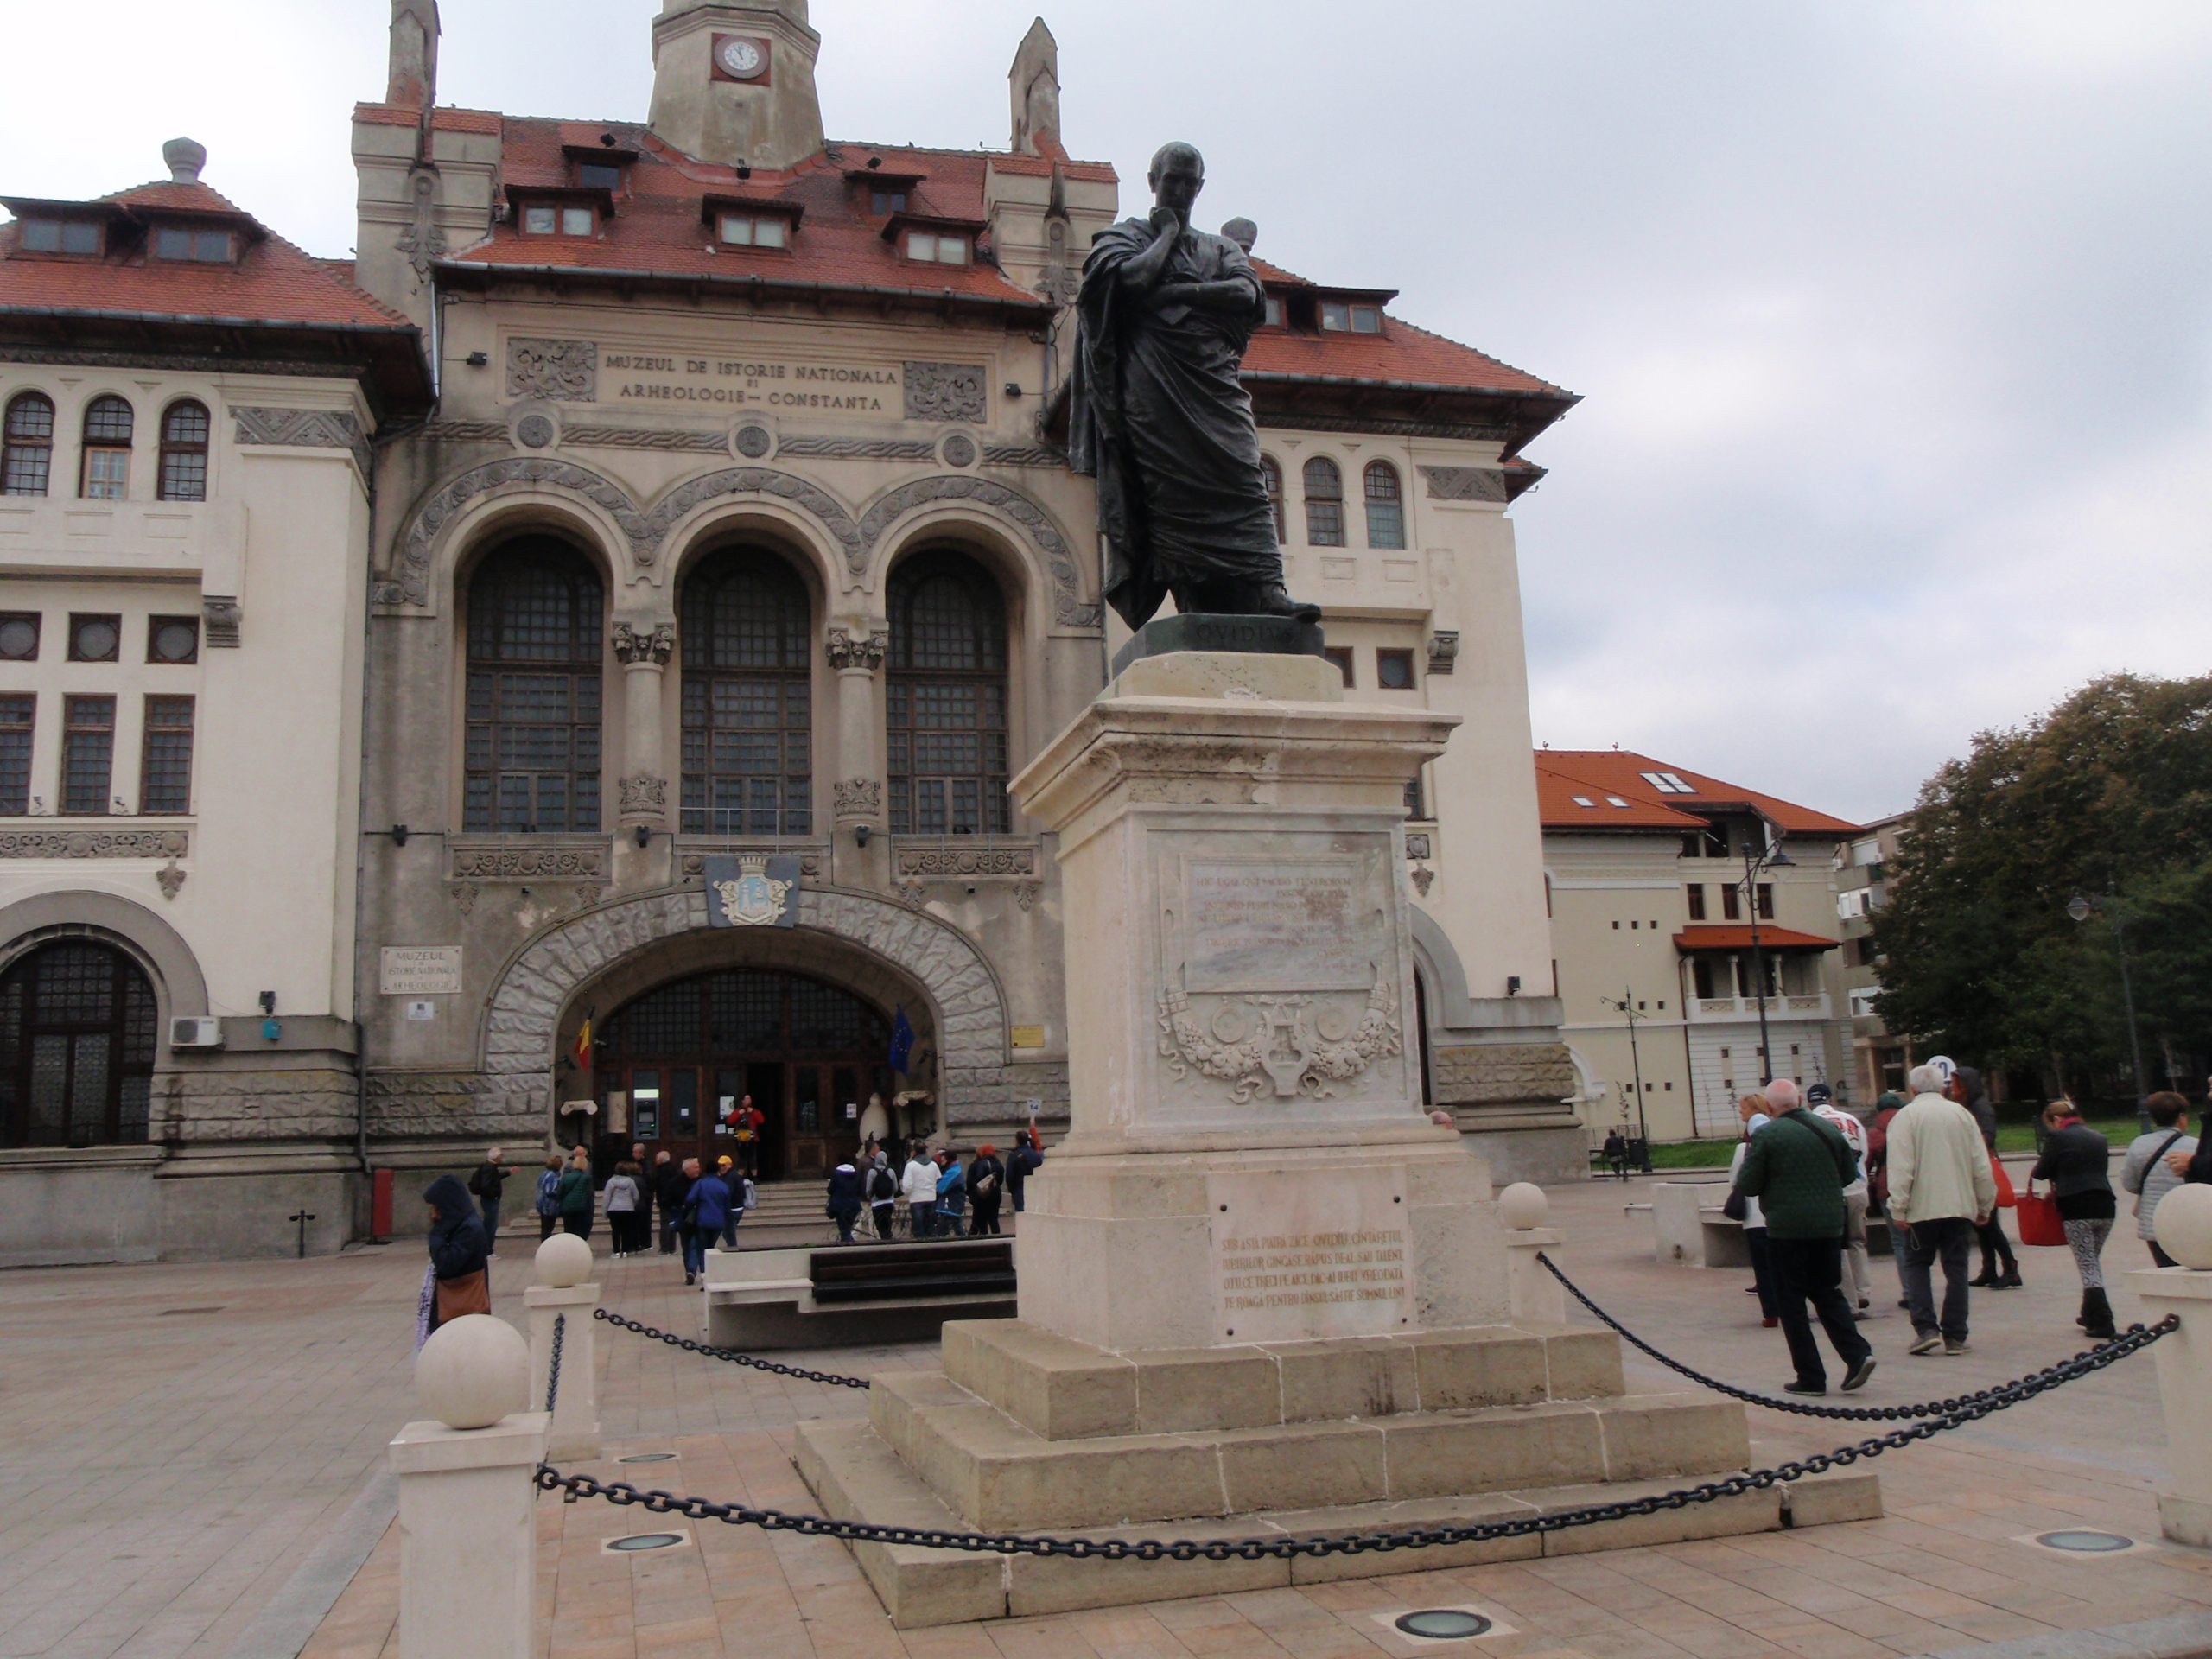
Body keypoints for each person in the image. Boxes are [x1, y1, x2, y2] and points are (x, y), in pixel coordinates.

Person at [1068, 142, 1319, 626]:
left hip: (1213, 383)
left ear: (1200, 187)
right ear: (1152, 181)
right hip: (1153, 386)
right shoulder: (1125, 237)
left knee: (1246, 476)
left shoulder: (1219, 248)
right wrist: (1166, 236)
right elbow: (1130, 281)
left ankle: (1270, 588)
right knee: (1168, 494)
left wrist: (1178, 292)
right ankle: (1191, 599)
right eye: (1172, 180)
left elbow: (1247, 294)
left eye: (1190, 182)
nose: (1181, 190)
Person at [1732, 1079, 1878, 1395]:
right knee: (1828, 1292)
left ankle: (1811, 1377)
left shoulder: (1767, 1135)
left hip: (1786, 1230)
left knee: (1791, 1302)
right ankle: (1857, 1354)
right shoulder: (1828, 1129)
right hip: (1828, 1226)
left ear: (1769, 1107)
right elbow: (1848, 1174)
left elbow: (1750, 1184)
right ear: (1799, 1099)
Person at [1886, 1062, 1998, 1355]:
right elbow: (1981, 1165)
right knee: (1957, 1268)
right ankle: (1956, 1335)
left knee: (1917, 1265)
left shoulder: (1905, 1117)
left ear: (1912, 1089)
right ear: (1943, 1088)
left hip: (1921, 1208)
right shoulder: (1962, 1115)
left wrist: (1898, 1207)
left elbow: (1901, 1168)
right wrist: (1984, 1204)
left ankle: (1926, 1329)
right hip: (1959, 1205)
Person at [2031, 1099, 2118, 1338]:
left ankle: (2103, 1320)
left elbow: (2040, 1172)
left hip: (2076, 1207)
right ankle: (2088, 1313)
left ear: (2056, 1119)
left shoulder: (2057, 1137)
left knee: (2088, 1264)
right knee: (2091, 1261)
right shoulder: (2098, 1137)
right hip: (2105, 1206)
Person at [1950, 1067, 2020, 1289]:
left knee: (1989, 1223)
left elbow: (1987, 1137)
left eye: (1956, 1084)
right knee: (1981, 1224)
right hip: (1973, 1169)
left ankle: (2011, 1268)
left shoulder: (1981, 1108)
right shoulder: (1966, 1106)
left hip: (1983, 1170)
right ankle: (1989, 1268)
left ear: (1966, 1085)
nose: (1952, 1088)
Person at [1809, 1087, 1873, 1316]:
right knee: (1857, 1242)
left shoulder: (1811, 1123)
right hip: (1858, 1189)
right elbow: (1865, 1153)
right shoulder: (1852, 1120)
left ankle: (1849, 1302)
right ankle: (1863, 1291)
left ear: (1809, 1104)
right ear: (1831, 1100)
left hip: (1831, 1193)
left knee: (1837, 1248)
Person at [418, 1174, 492, 1349]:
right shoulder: (461, 1225)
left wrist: (437, 1234)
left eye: (435, 1209)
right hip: (456, 1308)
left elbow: (447, 1264)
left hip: (463, 1308)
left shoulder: (469, 1229)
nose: (433, 1215)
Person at [2124, 1092, 2196, 1267]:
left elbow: (2129, 1183)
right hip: (2190, 1219)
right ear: (2181, 1117)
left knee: (2165, 1270)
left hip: (2153, 1221)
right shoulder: (2195, 1145)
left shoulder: (2138, 1144)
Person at [1728, 1097, 1780, 1329]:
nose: (1741, 1112)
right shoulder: (1782, 1142)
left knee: (1763, 1269)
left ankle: (1771, 1314)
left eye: (1744, 1109)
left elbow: (1735, 1181)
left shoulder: (1744, 1149)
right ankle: (1793, 1308)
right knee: (1785, 1266)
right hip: (1779, 1216)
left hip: (1755, 1219)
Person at [1864, 1089, 1910, 1306]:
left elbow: (1865, 1164)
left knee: (1899, 1242)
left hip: (1887, 1190)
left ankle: (1909, 1292)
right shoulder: (1910, 1127)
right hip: (1914, 1189)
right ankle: (1922, 1288)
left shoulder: (1874, 1134)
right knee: (1919, 1242)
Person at [683, 1158, 729, 1285]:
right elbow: (727, 1206)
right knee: (710, 1247)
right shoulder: (723, 1186)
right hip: (718, 1222)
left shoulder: (701, 1184)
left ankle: (698, 1272)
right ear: (717, 1171)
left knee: (699, 1247)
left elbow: (690, 1199)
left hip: (702, 1221)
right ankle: (707, 1273)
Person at [467, 1148, 507, 1255]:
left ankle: (485, 1249)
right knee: (491, 1226)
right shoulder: (490, 1168)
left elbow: (495, 1178)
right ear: (497, 1157)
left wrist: (508, 1173)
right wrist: (494, 1195)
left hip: (489, 1199)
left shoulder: (489, 1166)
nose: (502, 1157)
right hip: (490, 1200)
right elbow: (486, 1185)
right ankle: (487, 1250)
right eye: (501, 1155)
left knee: (489, 1224)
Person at [603, 1160, 642, 1259]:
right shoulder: (630, 1181)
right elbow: (636, 1196)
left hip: (614, 1209)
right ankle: (625, 1251)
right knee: (626, 1230)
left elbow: (606, 1197)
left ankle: (616, 1251)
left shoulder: (611, 1182)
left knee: (615, 1231)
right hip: (627, 1208)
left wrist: (605, 1211)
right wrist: (632, 1204)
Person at [967, 1144, 1007, 1236]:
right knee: (994, 1220)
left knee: (983, 1219)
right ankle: (997, 1237)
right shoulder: (999, 1163)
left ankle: (984, 1238)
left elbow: (979, 1177)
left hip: (984, 1194)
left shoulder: (983, 1163)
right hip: (996, 1193)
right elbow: (1000, 1181)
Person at [556, 1148, 594, 1241]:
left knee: (569, 1230)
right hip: (581, 1207)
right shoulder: (586, 1178)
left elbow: (560, 1192)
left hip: (567, 1207)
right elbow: (590, 1194)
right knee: (580, 1230)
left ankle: (570, 1246)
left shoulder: (566, 1177)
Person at [901, 1144, 938, 1239]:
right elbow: (938, 1179)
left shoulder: (911, 1166)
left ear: (915, 1152)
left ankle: (920, 1243)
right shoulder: (933, 1164)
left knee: (918, 1227)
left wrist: (905, 1191)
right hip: (931, 1198)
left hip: (916, 1198)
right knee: (930, 1225)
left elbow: (907, 1186)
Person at [652, 1149, 686, 1255]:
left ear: (661, 1160)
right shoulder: (673, 1169)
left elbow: (663, 1187)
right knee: (672, 1224)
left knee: (665, 1224)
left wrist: (662, 1201)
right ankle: (672, 1247)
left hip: (666, 1202)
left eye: (657, 1158)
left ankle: (665, 1247)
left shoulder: (662, 1171)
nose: (655, 1160)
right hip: (674, 1202)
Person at [826, 1160, 863, 1244]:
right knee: (848, 1227)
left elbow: (831, 1190)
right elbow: (860, 1191)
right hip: (854, 1205)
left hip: (839, 1205)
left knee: (844, 1229)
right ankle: (846, 1244)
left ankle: (849, 1244)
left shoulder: (837, 1174)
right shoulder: (856, 1175)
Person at [1008, 1127, 1044, 1214]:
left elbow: (1009, 1175)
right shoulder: (1036, 1154)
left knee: (1021, 1213)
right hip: (1034, 1189)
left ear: (1017, 1140)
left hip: (1019, 1190)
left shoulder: (1014, 1155)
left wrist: (1012, 1190)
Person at [935, 1147, 968, 1237]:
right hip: (953, 1204)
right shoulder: (953, 1170)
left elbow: (940, 1188)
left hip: (949, 1205)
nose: (941, 1163)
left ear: (949, 1160)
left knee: (942, 1230)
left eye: (943, 1161)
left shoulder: (953, 1172)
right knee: (957, 1227)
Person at [868, 1152, 899, 1241]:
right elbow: (895, 1188)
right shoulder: (891, 1171)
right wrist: (891, 1195)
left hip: (876, 1203)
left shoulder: (872, 1172)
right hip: (889, 1202)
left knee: (880, 1226)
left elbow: (868, 1189)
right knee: (888, 1223)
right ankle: (888, 1239)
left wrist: (870, 1197)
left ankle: (884, 1241)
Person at [732, 1095, 766, 1178]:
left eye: (750, 1099)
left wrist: (753, 1112)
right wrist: (739, 1113)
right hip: (740, 1139)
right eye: (747, 1099)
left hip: (752, 1138)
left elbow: (761, 1120)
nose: (749, 1100)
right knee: (741, 1159)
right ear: (742, 1101)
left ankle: (755, 1177)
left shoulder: (754, 1111)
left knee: (753, 1158)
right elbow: (730, 1121)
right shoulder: (737, 1111)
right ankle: (740, 1177)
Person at [533, 1153, 564, 1242]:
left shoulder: (544, 1174)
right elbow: (550, 1191)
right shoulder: (552, 1176)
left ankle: (544, 1243)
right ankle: (545, 1245)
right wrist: (561, 1193)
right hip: (549, 1206)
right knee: (548, 1229)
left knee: (545, 1228)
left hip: (542, 1204)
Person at [715, 1154, 742, 1247]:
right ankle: (732, 1247)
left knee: (729, 1232)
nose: (721, 1168)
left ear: (730, 1165)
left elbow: (728, 1191)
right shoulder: (729, 1175)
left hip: (733, 1208)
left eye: (724, 1165)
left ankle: (733, 1248)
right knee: (727, 1231)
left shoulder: (731, 1176)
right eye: (720, 1165)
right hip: (735, 1207)